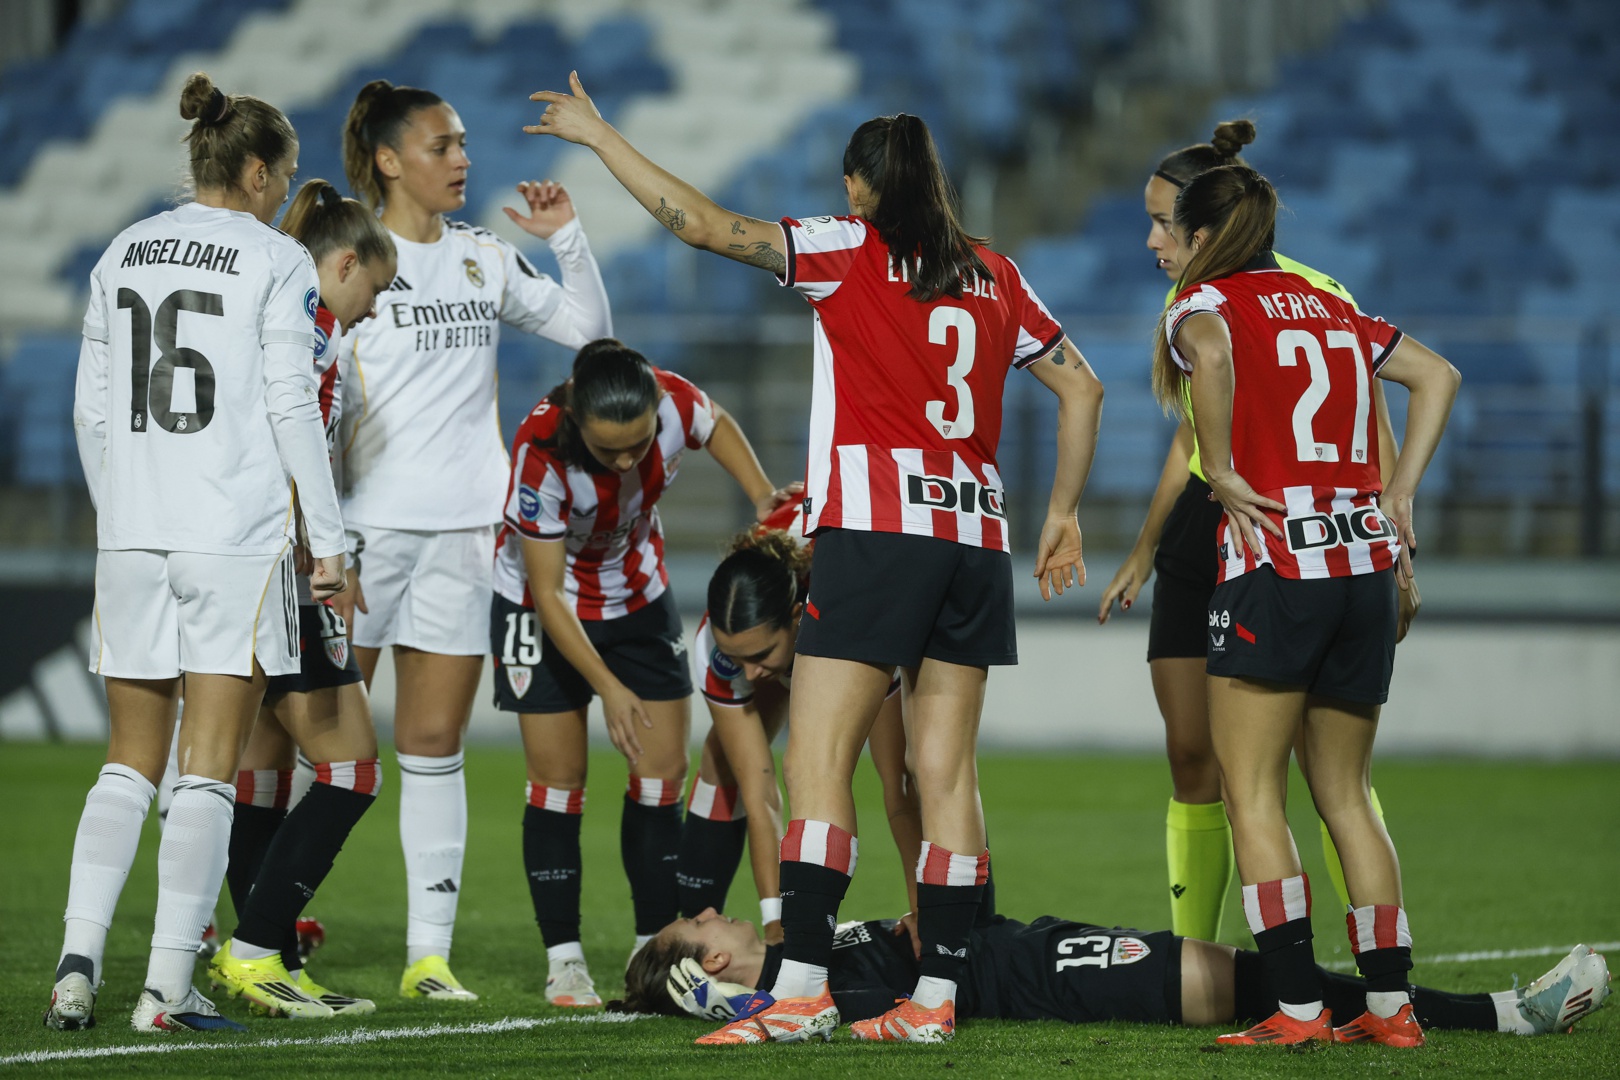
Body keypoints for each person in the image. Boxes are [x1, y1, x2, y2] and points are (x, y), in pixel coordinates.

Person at [528, 73, 1104, 1047]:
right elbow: (1081, 388)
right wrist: (1062, 516)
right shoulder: (997, 273)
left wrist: (598, 135)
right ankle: (935, 1004)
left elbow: (703, 225)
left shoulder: (848, 250)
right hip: (975, 538)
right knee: (944, 774)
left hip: (878, 536)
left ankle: (800, 992)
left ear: (858, 188)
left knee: (820, 764)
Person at [47, 72, 345, 1034]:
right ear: (257, 171)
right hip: (232, 538)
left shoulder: (121, 250)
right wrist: (329, 540)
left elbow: (91, 409)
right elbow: (294, 405)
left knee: (127, 766)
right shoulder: (276, 260)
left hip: (132, 533)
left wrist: (122, 507)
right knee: (207, 770)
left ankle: (76, 967)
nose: (283, 188)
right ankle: (165, 991)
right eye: (284, 173)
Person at [1155, 165, 1460, 1046]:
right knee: (1349, 797)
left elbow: (1209, 354)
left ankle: (1294, 1010)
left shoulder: (1201, 302)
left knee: (1254, 794)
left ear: (1204, 237)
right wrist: (1399, 495)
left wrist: (1225, 469)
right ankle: (1393, 1012)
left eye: (1173, 230)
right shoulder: (1328, 301)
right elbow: (1438, 376)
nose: (1163, 245)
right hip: (1363, 560)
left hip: (1275, 561)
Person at [1097, 120, 1412, 942]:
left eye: (1164, 220)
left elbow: (1368, 425)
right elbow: (1193, 436)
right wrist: (1143, 550)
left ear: (1209, 220)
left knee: (1308, 774)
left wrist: (1396, 537)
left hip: (1280, 528)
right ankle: (1200, 954)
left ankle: (1322, 976)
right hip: (1211, 526)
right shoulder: (1206, 293)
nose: (1153, 239)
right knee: (1196, 758)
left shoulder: (1268, 294)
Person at [338, 79, 613, 1001]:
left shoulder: (482, 259)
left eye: (461, 143)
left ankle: (428, 956)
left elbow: (589, 336)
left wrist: (567, 237)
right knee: (321, 746)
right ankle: (259, 927)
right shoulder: (342, 260)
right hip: (363, 530)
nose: (463, 159)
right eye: (441, 145)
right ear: (387, 160)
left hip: (465, 530)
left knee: (432, 740)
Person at [493, 338, 794, 1008]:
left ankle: (644, 946)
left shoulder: (675, 400)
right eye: (610, 453)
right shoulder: (539, 454)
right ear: (575, 422)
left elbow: (717, 425)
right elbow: (546, 595)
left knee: (661, 778)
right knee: (557, 783)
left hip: (637, 594)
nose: (629, 460)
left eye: (641, 444)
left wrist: (763, 499)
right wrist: (611, 686)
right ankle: (564, 959)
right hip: (543, 607)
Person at [204, 179, 396, 1020]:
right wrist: (329, 555)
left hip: (228, 559)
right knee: (351, 769)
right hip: (284, 565)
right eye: (375, 291)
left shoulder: (257, 317)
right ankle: (255, 950)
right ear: (344, 262)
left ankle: (256, 952)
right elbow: (293, 453)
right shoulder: (311, 332)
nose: (372, 311)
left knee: (258, 772)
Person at [621, 905, 1611, 1041]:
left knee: (1277, 978)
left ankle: (1498, 1010)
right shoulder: (814, 989)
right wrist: (730, 1002)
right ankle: (1509, 1015)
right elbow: (849, 1012)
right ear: (704, 962)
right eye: (691, 923)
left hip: (1044, 944)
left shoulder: (798, 942)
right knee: (1266, 980)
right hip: (1061, 975)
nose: (708, 911)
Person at [680, 502, 920, 943]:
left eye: (759, 656)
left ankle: (958, 917)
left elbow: (898, 787)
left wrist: (921, 912)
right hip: (801, 607)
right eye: (735, 658)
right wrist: (774, 922)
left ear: (795, 618)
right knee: (722, 767)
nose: (750, 674)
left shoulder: (851, 611)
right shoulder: (717, 646)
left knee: (914, 769)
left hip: (871, 602)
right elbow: (761, 791)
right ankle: (693, 932)